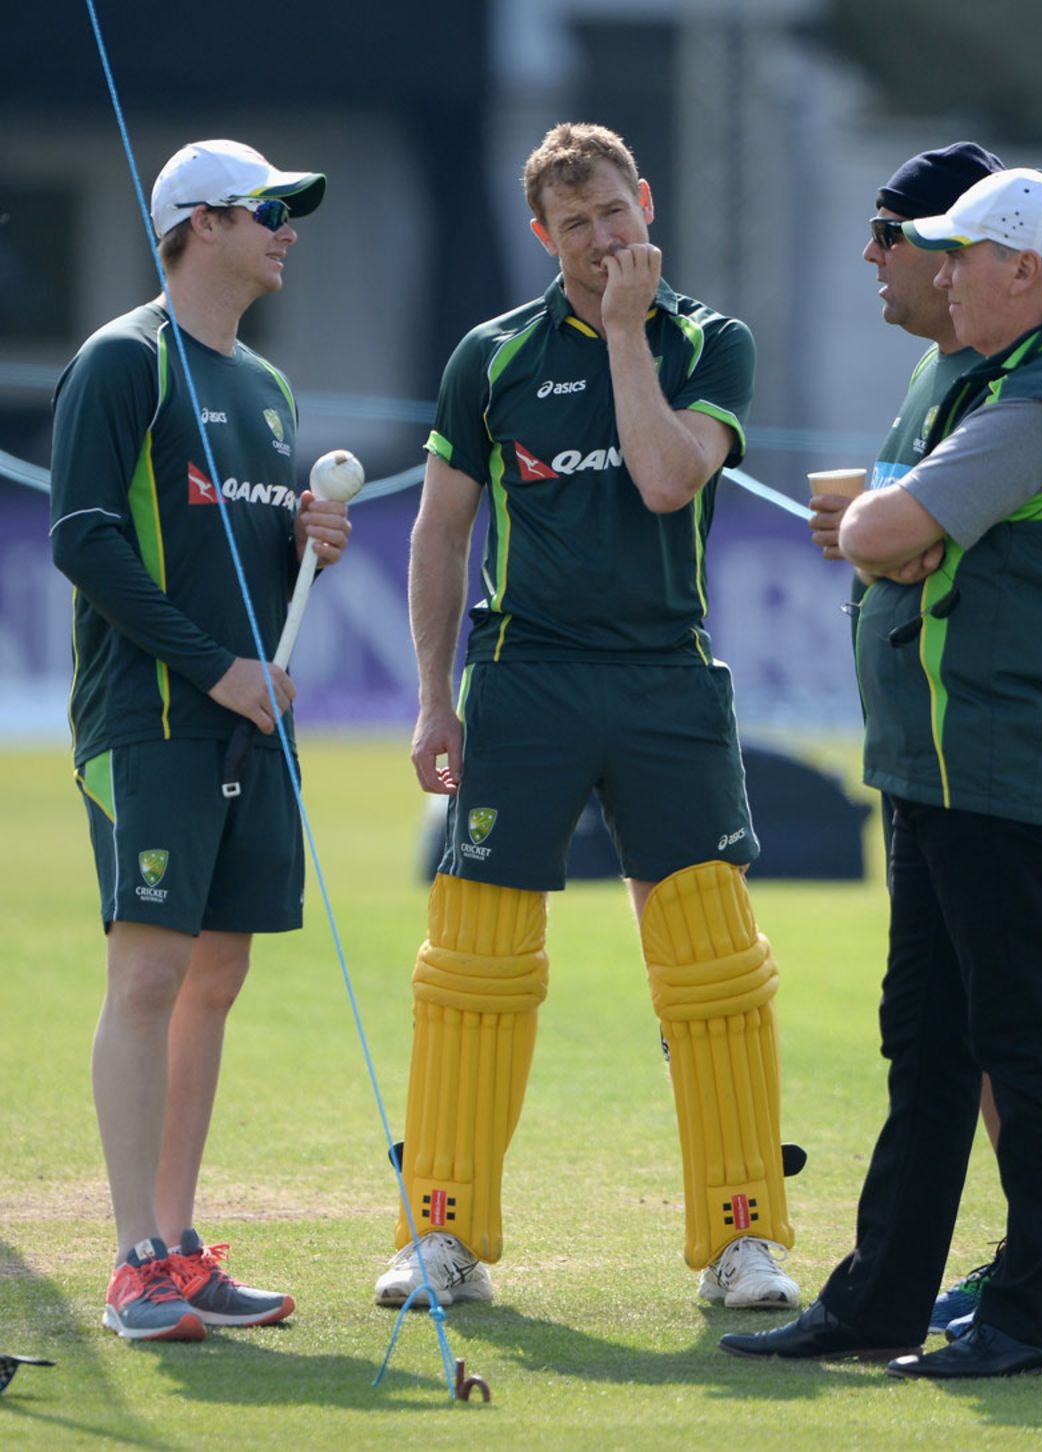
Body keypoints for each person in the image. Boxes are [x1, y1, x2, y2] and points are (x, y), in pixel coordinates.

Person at [373, 121, 799, 1313]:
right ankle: (440, 1233)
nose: (604, 239)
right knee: (473, 967)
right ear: (541, 236)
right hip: (526, 678)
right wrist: (428, 696)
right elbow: (440, 531)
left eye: (615, 212)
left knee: (713, 970)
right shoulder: (492, 357)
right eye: (576, 225)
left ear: (645, 200)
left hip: (667, 676)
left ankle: (741, 1240)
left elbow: (667, 478)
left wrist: (623, 337)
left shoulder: (711, 340)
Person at [721, 166, 1042, 1378]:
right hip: (944, 764)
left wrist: (887, 523)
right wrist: (896, 523)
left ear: (1023, 270)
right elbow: (897, 529)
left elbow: (882, 532)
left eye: (960, 255)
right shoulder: (991, 376)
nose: (938, 272)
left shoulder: (1041, 400)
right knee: (933, 1038)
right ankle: (885, 1299)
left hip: (997, 763)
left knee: (1017, 1040)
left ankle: (1038, 1311)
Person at [49, 139, 352, 1341]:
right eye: (272, 210)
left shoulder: (267, 389)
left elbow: (246, 550)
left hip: (246, 721)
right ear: (202, 221)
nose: (289, 228)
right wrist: (213, 668)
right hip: (157, 719)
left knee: (215, 980)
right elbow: (84, 536)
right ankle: (132, 1263)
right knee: (150, 975)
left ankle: (177, 1244)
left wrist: (309, 538)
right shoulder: (124, 360)